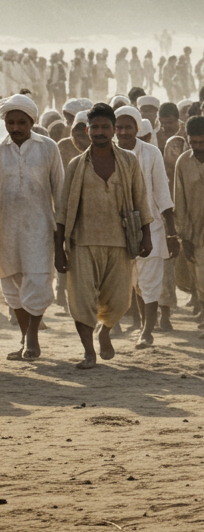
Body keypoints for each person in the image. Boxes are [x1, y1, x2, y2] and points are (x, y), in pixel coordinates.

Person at [54, 103, 153, 369]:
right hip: (82, 243)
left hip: (120, 242)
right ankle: (89, 352)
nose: (99, 132)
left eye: (105, 127)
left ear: (113, 130)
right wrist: (58, 248)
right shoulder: (76, 165)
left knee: (119, 300)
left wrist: (147, 236)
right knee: (81, 301)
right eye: (94, 127)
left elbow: (141, 200)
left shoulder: (128, 161)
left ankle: (105, 332)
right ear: (87, 130)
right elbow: (62, 210)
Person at [1, 95, 65, 361]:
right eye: (10, 122)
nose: (15, 128)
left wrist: (61, 235)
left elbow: (60, 191)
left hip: (40, 228)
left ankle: (33, 338)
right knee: (11, 284)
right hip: (5, 229)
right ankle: (24, 337)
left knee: (38, 281)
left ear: (32, 121)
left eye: (21, 122)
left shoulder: (48, 148)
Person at [114, 106, 179, 348]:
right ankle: (139, 323)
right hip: (117, 229)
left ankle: (147, 331)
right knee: (133, 282)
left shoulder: (151, 154)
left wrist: (172, 233)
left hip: (151, 228)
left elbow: (163, 194)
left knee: (149, 282)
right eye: (118, 127)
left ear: (137, 129)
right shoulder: (106, 153)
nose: (123, 132)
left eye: (128, 127)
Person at [172, 115, 204, 338]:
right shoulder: (183, 162)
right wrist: (183, 235)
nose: (197, 147)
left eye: (202, 143)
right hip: (195, 231)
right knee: (202, 279)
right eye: (193, 143)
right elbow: (179, 199)